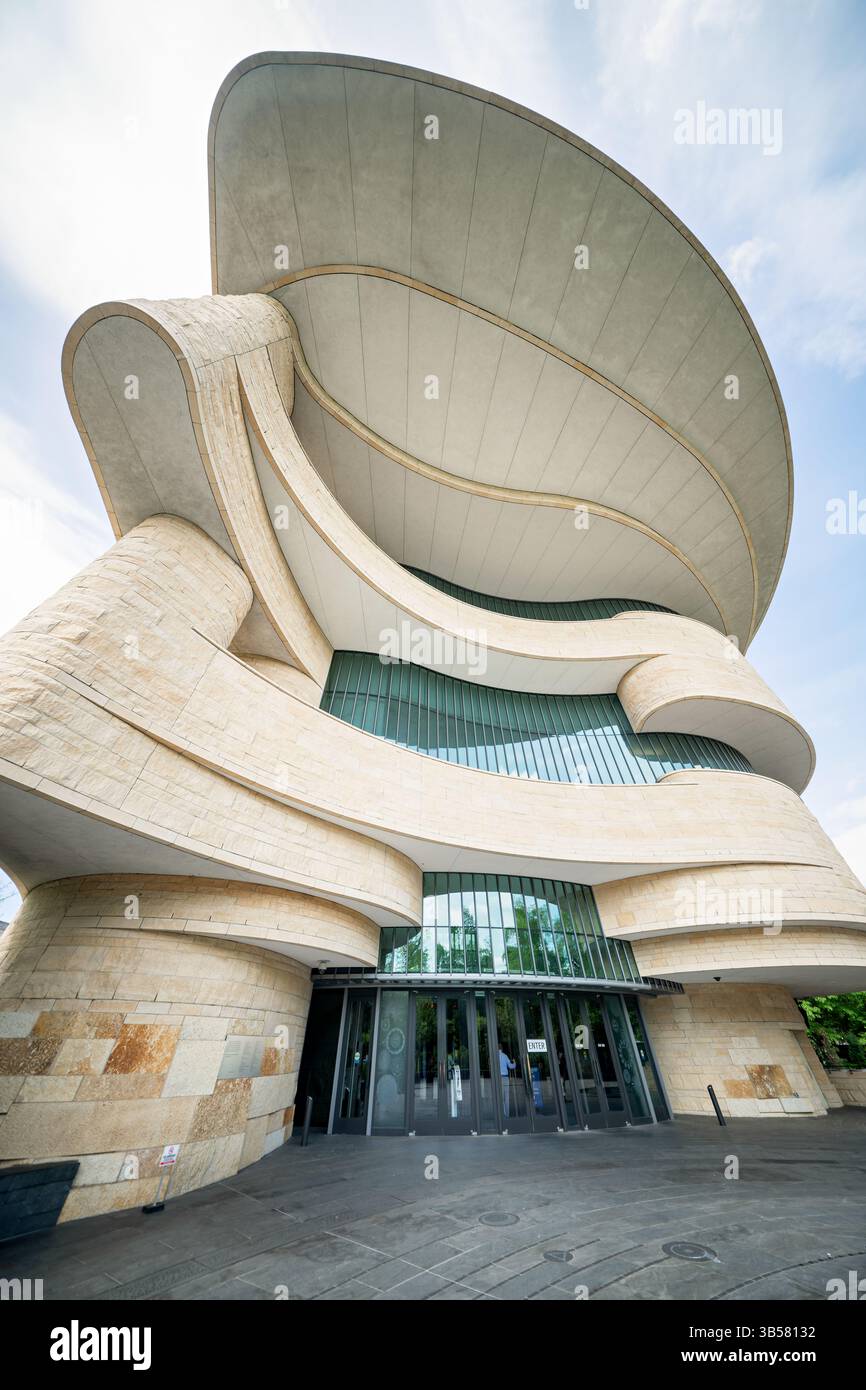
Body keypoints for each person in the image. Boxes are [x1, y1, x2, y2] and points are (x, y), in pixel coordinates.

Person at [499, 1046, 516, 1117]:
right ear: (502, 1049)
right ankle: (507, 1115)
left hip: (498, 1079)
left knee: (501, 1097)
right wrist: (515, 1062)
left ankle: (502, 1114)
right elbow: (511, 1066)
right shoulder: (505, 1056)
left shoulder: (494, 1056)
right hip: (505, 1078)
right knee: (506, 1097)